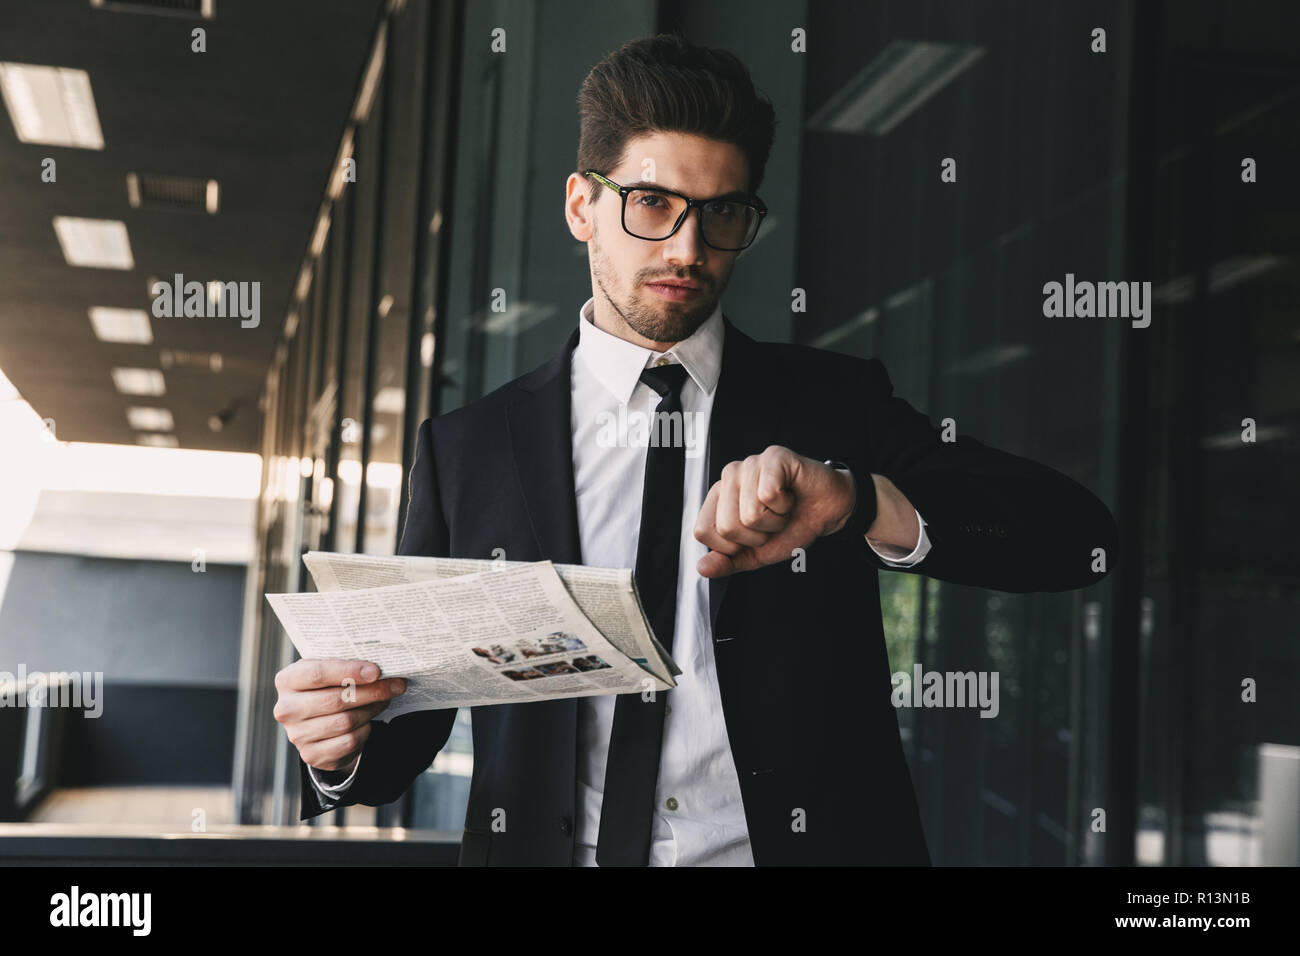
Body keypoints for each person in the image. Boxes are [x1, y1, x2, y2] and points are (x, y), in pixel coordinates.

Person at [273, 33, 1118, 866]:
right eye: (652, 203)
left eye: (723, 213)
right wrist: (339, 747)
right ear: (581, 206)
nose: (688, 248)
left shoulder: (832, 405)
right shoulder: (466, 450)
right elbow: (411, 727)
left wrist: (860, 500)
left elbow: (1079, 540)